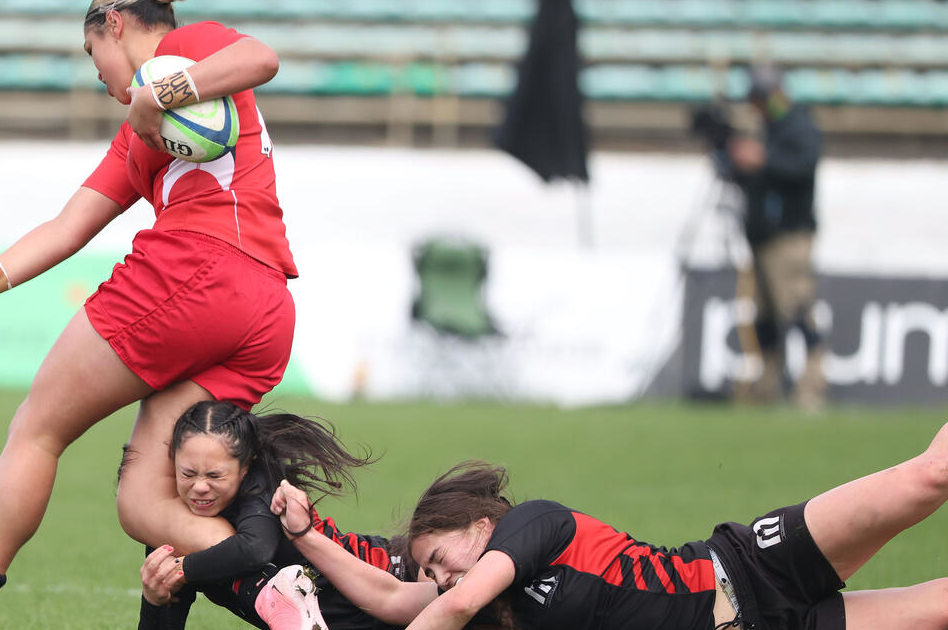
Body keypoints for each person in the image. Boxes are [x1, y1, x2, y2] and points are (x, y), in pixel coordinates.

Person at [0, 2, 297, 627]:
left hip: (196, 273)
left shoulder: (188, 47)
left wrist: (160, 91)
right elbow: (67, 227)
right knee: (145, 503)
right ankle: (283, 592)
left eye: (92, 55)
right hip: (265, 307)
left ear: (115, 21)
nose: (97, 75)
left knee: (38, 427)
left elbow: (262, 58)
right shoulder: (140, 135)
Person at [271, 422, 948, 630]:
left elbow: (455, 605)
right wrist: (306, 537)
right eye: (430, 573)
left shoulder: (536, 525)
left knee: (928, 478)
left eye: (440, 557)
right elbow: (390, 597)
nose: (439, 578)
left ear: (483, 526)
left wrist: (445, 599)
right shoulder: (475, 600)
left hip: (748, 566)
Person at [134, 399, 420, 630]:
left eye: (215, 475)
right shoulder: (174, 528)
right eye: (187, 473)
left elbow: (255, 549)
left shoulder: (261, 486)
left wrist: (182, 570)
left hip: (396, 570)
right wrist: (155, 596)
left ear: (244, 468)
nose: (199, 487)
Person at [726, 64, 825, 412]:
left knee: (797, 310)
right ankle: (768, 385)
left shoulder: (798, 124)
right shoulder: (764, 129)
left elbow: (804, 165)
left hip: (790, 237)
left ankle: (812, 385)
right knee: (765, 316)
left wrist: (763, 159)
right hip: (762, 238)